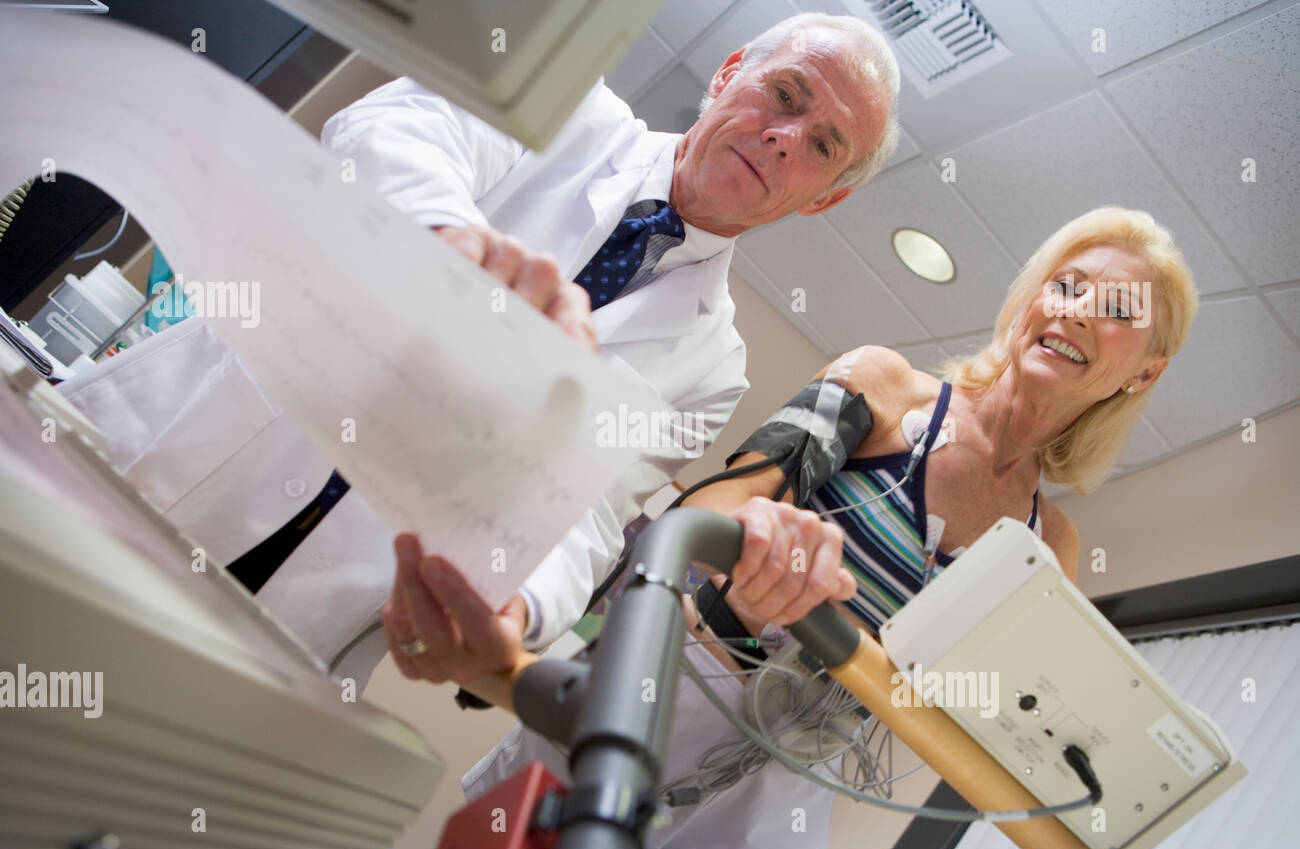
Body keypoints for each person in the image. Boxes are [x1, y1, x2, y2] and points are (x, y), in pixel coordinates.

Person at [58, 12, 901, 686]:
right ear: (728, 76)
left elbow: (587, 515)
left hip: (322, 601)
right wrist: (451, 244)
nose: (787, 135)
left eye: (824, 145)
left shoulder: (714, 366)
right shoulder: (566, 112)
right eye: (785, 94)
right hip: (171, 455)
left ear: (821, 200)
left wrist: (517, 615)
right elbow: (383, 129)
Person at [457, 206, 1200, 849]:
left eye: (1115, 310)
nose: (1074, 312)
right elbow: (720, 500)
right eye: (1066, 285)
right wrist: (758, 534)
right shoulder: (884, 388)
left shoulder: (1050, 544)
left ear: (1144, 374)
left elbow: (973, 715)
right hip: (687, 677)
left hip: (793, 772)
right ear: (1033, 299)